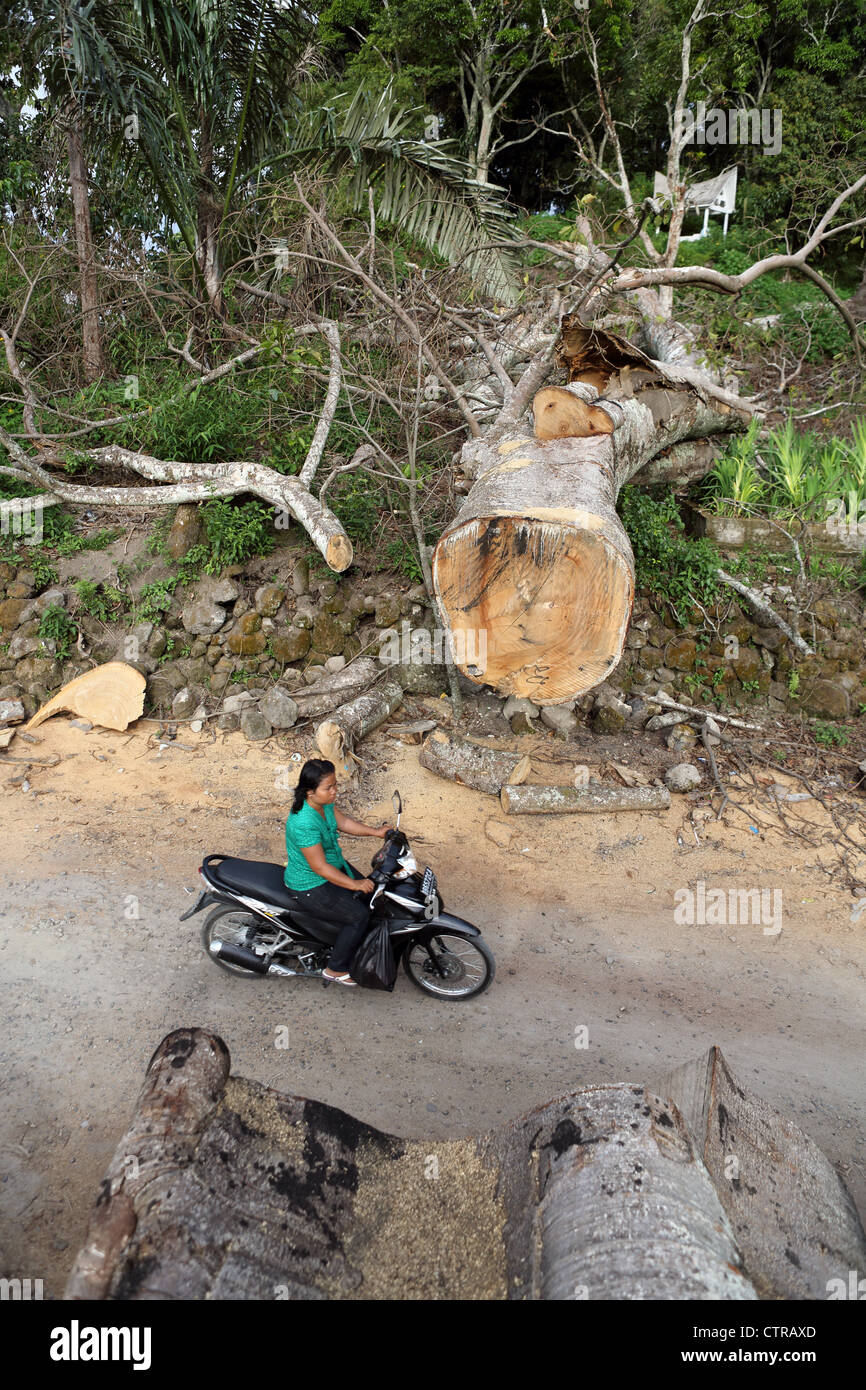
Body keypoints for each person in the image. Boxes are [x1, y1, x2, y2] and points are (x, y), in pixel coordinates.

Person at [284, 759, 391, 987]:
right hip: (310, 884)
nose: (334, 792)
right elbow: (319, 867)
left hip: (334, 866)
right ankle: (335, 968)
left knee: (370, 895)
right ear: (310, 792)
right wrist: (354, 884)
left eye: (335, 785)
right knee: (358, 915)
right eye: (328, 788)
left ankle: (349, 942)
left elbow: (343, 822)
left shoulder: (324, 805)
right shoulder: (304, 822)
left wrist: (376, 833)